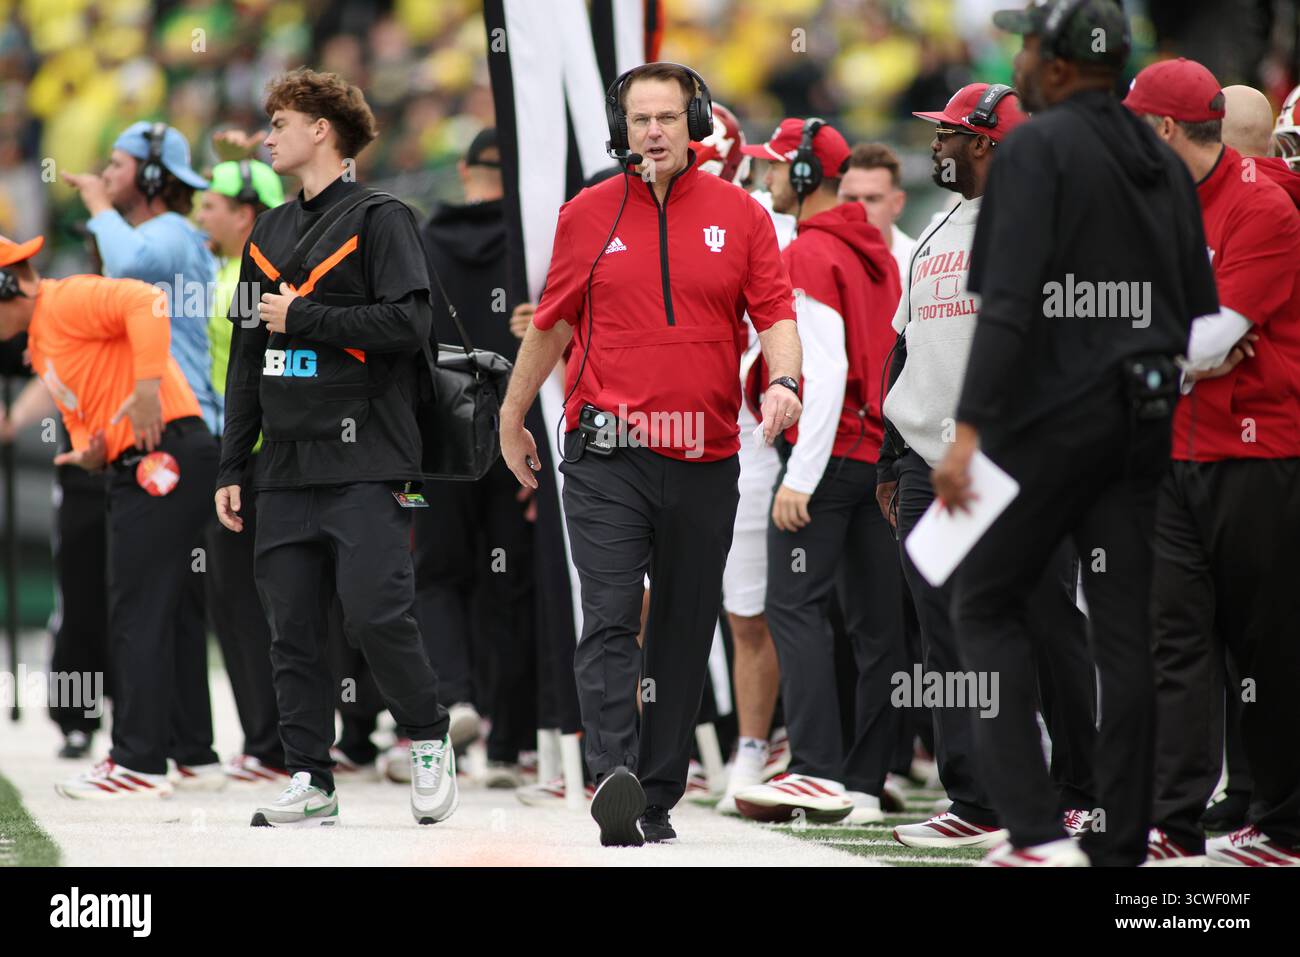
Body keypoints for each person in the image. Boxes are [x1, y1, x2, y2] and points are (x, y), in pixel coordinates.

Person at [933, 0, 1220, 866]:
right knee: (1123, 635)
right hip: (1142, 424)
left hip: (1046, 424)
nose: (1020, 59)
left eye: (1027, 45)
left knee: (979, 601)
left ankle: (1034, 832)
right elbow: (1194, 310)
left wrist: (969, 431)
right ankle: (1123, 842)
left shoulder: (1034, 147)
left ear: (1055, 66)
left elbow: (1010, 305)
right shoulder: (1159, 158)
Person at [498, 61, 802, 846]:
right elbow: (551, 322)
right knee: (606, 615)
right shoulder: (586, 212)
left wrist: (786, 380)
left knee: (681, 625)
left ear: (694, 122)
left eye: (669, 117)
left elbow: (774, 313)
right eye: (640, 120)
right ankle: (612, 773)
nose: (655, 132)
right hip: (607, 453)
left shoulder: (742, 214)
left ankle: (656, 794)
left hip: (705, 455)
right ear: (621, 128)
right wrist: (511, 412)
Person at [215, 67, 456, 827]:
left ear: (322, 130)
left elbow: (408, 328)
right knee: (289, 627)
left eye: (280, 122)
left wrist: (308, 317)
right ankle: (310, 775)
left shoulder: (384, 215)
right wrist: (232, 462)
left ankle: (428, 736)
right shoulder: (267, 230)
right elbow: (247, 358)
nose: (268, 135)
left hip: (370, 455)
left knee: (377, 612)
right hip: (283, 462)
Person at [877, 82, 1098, 850]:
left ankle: (1082, 787)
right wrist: (892, 454)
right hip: (928, 464)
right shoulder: (935, 228)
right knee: (942, 637)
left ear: (988, 143)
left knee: (1047, 625)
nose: (935, 146)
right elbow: (905, 346)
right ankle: (974, 798)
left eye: (947, 134)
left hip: (1016, 463)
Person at [1123, 58, 1300, 867]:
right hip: (1173, 444)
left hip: (1259, 451)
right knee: (1177, 637)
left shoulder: (1263, 205)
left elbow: (1204, 338)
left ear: (1164, 130)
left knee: (1267, 643)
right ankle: (1175, 817)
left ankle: (1285, 819)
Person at [724, 117, 904, 826]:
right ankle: (861, 779)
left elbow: (821, 373)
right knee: (877, 628)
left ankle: (817, 769)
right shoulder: (881, 254)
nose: (768, 177)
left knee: (793, 609)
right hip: (876, 456)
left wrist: (800, 473)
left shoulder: (807, 254)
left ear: (804, 175)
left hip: (825, 460)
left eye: (775, 166)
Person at [0, 235, 218, 799]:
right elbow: (98, 396)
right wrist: (96, 449)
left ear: (7, 286)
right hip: (134, 459)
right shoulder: (43, 340)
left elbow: (147, 301)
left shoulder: (65, 299)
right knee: (154, 607)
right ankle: (186, 751)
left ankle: (140, 761)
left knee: (137, 607)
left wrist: (148, 392)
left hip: (164, 450)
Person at [693, 101, 795, 813]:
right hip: (675, 429)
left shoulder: (770, 225)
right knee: (652, 598)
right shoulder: (646, 217)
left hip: (750, 432)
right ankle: (678, 744)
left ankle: (753, 743)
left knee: (748, 608)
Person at [194, 157, 290, 787]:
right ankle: (275, 738)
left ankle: (267, 742)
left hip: (247, 456)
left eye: (212, 204)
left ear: (246, 214)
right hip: (252, 452)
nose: (201, 213)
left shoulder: (238, 283)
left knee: (244, 601)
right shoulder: (235, 271)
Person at [837, 143, 915, 278]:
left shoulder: (918, 265)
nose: (859, 209)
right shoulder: (817, 259)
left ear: (898, 203)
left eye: (872, 199)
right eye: (851, 198)